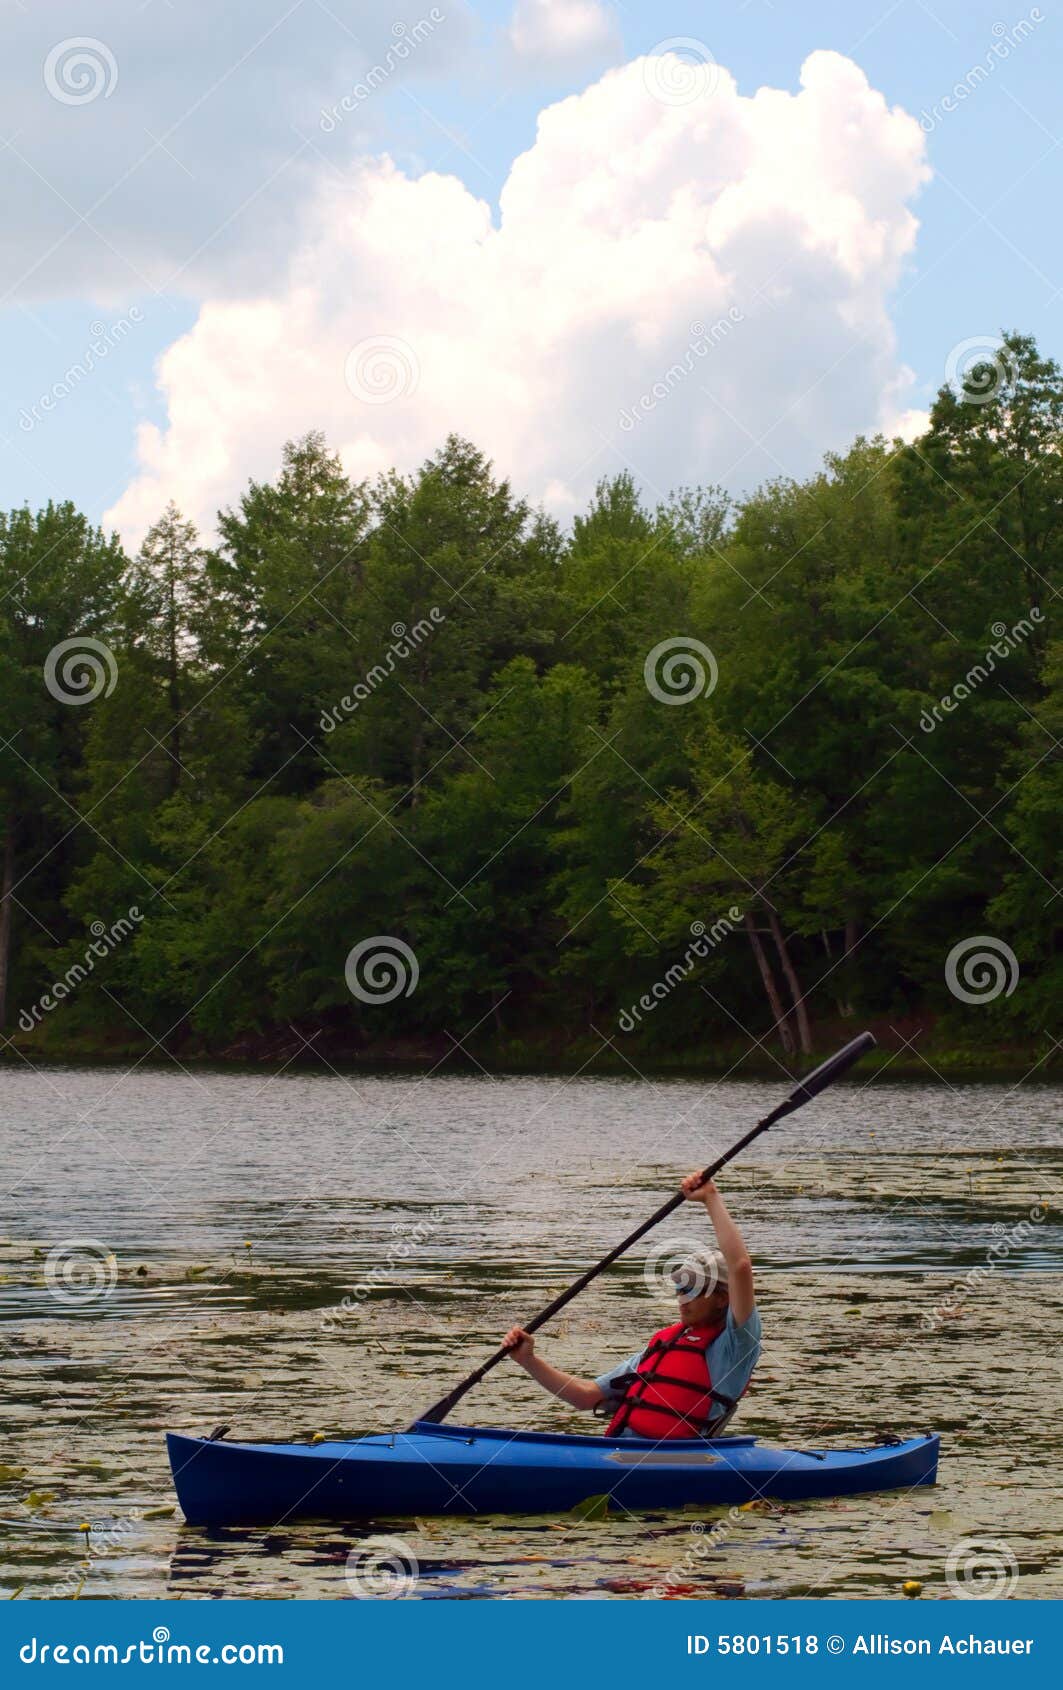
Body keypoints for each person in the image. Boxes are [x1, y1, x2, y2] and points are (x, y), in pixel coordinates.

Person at [502, 1173, 760, 1439]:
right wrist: (528, 1361)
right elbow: (585, 1396)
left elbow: (740, 1267)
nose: (682, 1297)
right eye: (679, 1288)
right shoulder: (665, 1344)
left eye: (693, 1289)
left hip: (671, 1462)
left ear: (722, 1298)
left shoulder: (736, 1346)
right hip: (619, 1455)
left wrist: (710, 1198)